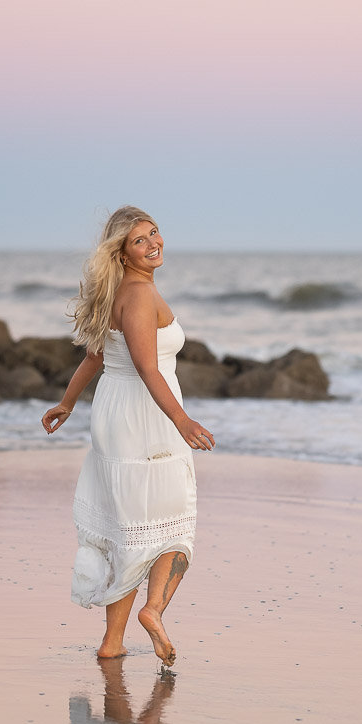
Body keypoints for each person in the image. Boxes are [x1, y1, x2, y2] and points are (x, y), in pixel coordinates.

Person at [42, 206, 214, 667]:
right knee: (173, 526)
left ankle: (112, 642)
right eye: (140, 239)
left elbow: (94, 359)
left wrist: (67, 402)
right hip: (147, 417)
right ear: (122, 251)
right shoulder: (138, 295)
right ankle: (153, 610)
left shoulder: (114, 292)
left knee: (127, 531)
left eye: (154, 232)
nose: (153, 243)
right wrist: (182, 420)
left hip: (116, 414)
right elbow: (146, 367)